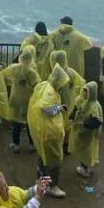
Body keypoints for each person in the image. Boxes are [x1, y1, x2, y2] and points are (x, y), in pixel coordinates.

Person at [27, 64, 70, 199]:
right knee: (54, 160)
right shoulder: (50, 92)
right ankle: (52, 186)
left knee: (43, 155)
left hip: (41, 129)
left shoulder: (44, 84)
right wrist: (58, 109)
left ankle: (41, 182)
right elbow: (44, 108)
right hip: (49, 131)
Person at [4, 46, 40, 153]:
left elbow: (5, 74)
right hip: (28, 100)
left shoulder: (14, 68)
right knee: (30, 123)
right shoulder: (32, 71)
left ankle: (16, 144)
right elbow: (37, 85)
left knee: (16, 123)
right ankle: (31, 145)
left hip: (15, 98)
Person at [48, 50, 84, 155]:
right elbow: (80, 83)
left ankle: (58, 146)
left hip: (59, 103)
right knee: (68, 124)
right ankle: (66, 145)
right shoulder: (71, 71)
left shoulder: (55, 74)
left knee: (58, 124)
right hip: (70, 101)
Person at [69, 81, 102, 178]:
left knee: (87, 151)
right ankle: (85, 166)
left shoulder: (95, 106)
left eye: (86, 91)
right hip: (80, 131)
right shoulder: (80, 100)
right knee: (82, 150)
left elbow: (97, 120)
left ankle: (85, 169)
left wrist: (85, 124)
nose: (84, 93)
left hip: (89, 134)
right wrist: (72, 117)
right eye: (84, 91)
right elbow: (75, 109)